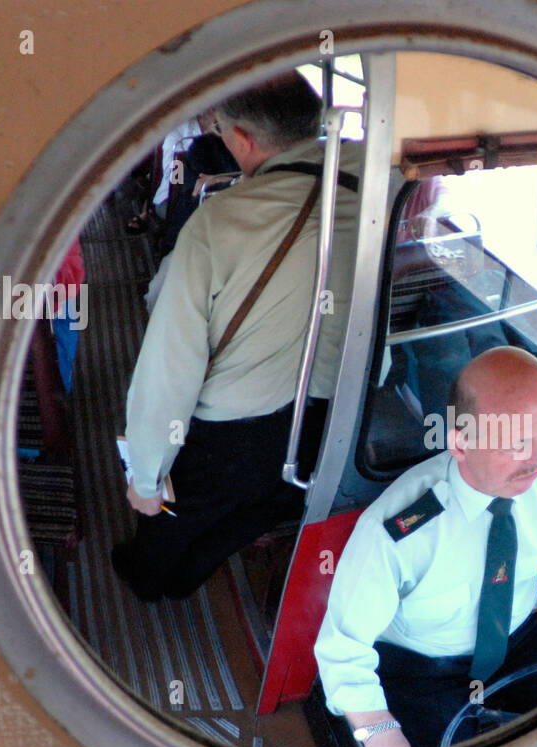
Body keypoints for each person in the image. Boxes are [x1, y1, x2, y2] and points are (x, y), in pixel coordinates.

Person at [112, 71, 361, 601]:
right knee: (259, 510)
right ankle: (192, 575)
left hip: (231, 433)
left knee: (174, 515)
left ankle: (151, 583)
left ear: (242, 140)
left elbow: (169, 369)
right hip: (330, 414)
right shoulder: (374, 180)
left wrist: (148, 481)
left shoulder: (217, 224)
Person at [313, 347, 537, 747]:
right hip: (421, 667)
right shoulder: (399, 528)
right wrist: (382, 735)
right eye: (517, 441)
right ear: (460, 444)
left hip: (519, 640)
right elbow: (343, 648)